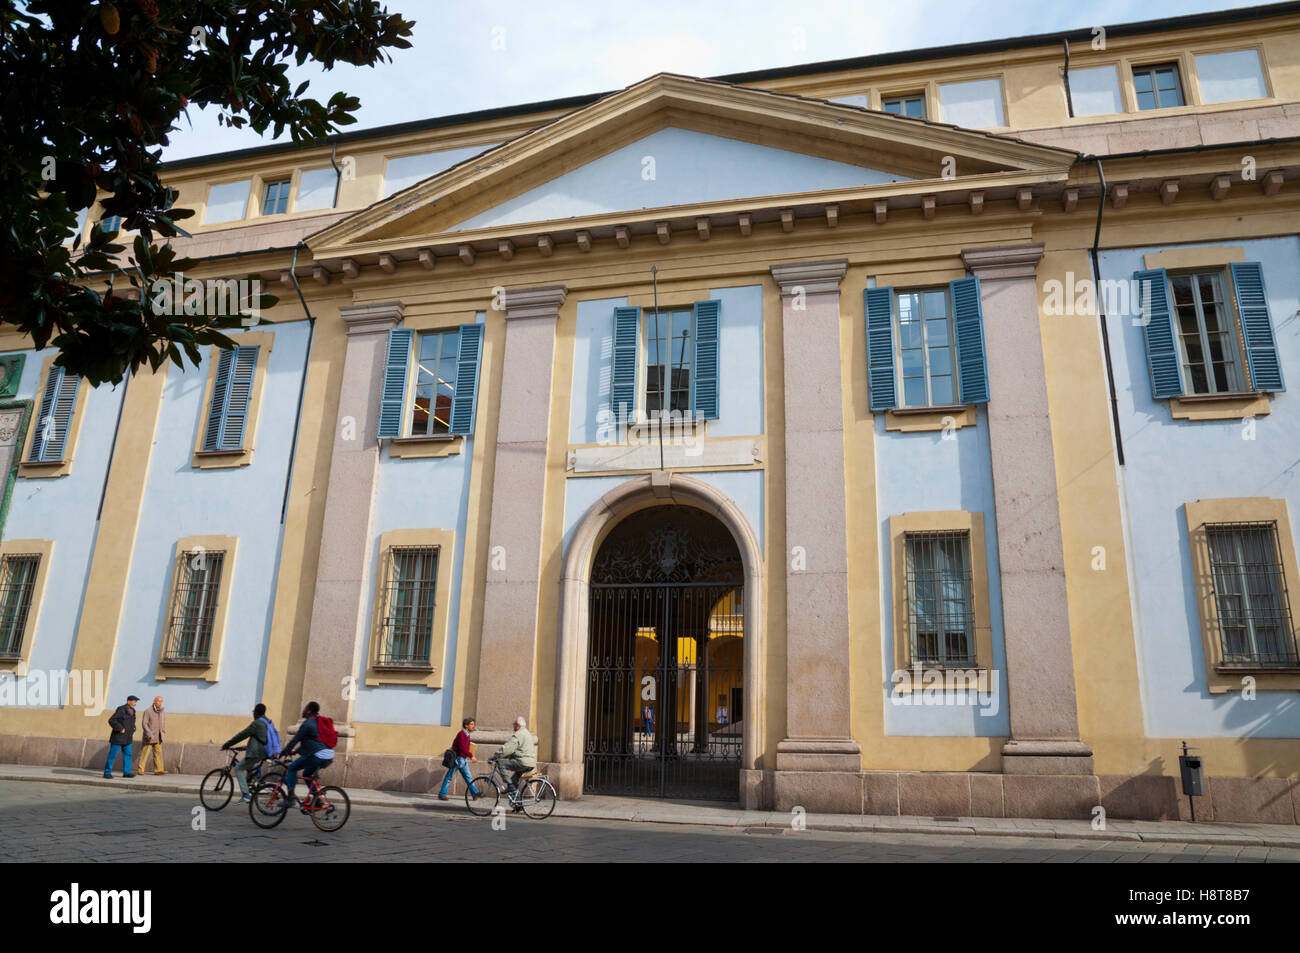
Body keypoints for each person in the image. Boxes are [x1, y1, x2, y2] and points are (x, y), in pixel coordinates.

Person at [280, 701, 329, 809]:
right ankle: (318, 800)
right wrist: (295, 751)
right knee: (307, 774)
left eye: (305, 708)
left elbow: (295, 740)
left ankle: (290, 799)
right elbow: (311, 743)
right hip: (328, 755)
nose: (303, 710)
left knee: (292, 768)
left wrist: (285, 751)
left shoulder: (307, 724)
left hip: (317, 755)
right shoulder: (319, 722)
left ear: (309, 711)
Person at [221, 703, 271, 803]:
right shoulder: (267, 722)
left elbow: (242, 735)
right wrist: (246, 747)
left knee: (238, 768)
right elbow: (259, 738)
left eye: (254, 712)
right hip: (264, 751)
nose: (253, 714)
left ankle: (246, 794)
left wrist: (227, 744)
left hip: (257, 753)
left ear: (256, 713)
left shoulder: (257, 723)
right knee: (249, 768)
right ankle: (251, 784)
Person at [490, 716, 536, 793]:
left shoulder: (518, 735)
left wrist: (495, 756)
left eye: (514, 724)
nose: (513, 727)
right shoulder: (528, 734)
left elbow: (507, 749)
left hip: (522, 762)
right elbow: (520, 750)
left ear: (517, 725)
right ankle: (516, 799)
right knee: (514, 779)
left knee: (501, 764)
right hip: (531, 762)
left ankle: (510, 786)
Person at [438, 717, 480, 801]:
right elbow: (462, 748)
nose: (473, 726)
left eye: (473, 724)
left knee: (468, 777)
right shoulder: (461, 734)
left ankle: (474, 793)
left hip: (463, 760)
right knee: (449, 777)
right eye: (471, 724)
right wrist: (471, 756)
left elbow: (464, 747)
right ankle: (442, 794)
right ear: (466, 725)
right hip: (457, 760)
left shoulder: (467, 734)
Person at [104, 695, 139, 778]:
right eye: (134, 701)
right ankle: (107, 772)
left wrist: (134, 728)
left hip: (128, 737)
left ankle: (126, 773)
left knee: (128, 754)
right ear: (128, 701)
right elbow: (112, 720)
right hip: (118, 737)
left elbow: (131, 722)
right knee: (112, 755)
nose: (135, 703)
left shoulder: (133, 711)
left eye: (136, 701)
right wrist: (120, 728)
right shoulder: (121, 709)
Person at [138, 695, 167, 775]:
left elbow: (163, 722)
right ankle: (141, 769)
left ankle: (158, 770)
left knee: (158, 753)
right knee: (145, 753)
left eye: (161, 701)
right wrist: (149, 734)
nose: (160, 703)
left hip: (159, 736)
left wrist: (163, 732)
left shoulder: (162, 711)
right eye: (159, 701)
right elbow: (144, 723)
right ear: (154, 701)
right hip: (150, 737)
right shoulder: (148, 711)